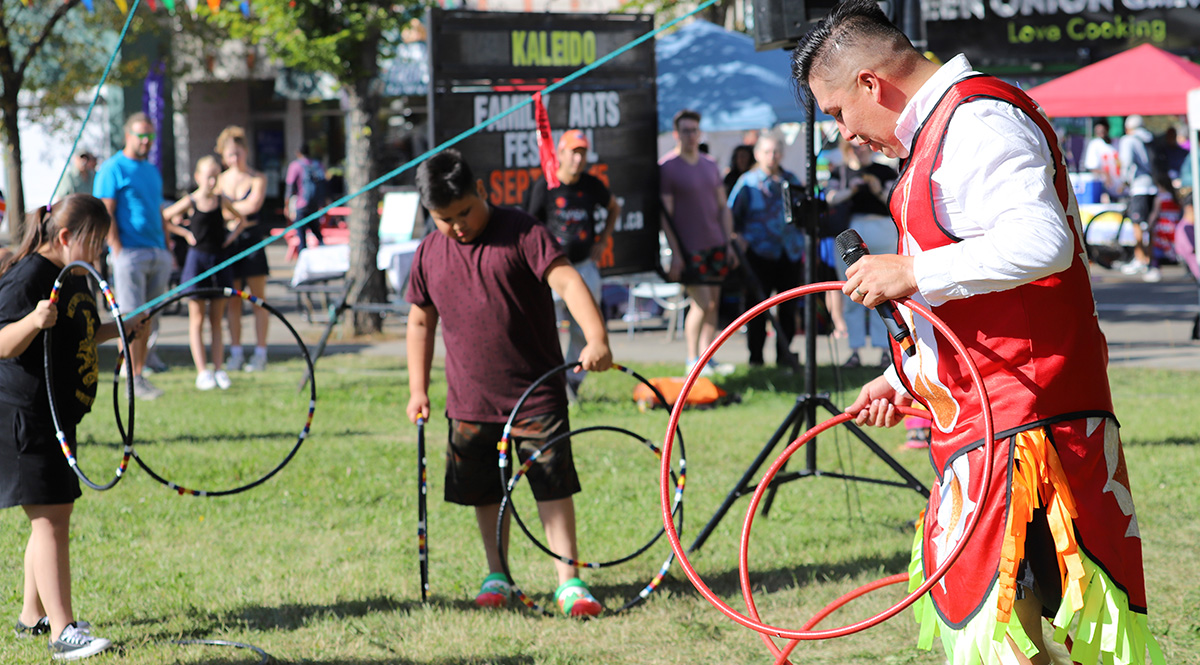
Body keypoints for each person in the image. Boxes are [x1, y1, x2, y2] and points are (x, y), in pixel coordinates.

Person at [792, 2, 1161, 664]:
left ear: (871, 83)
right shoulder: (943, 129)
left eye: (838, 113)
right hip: (987, 423)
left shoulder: (977, 121)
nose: (844, 133)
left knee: (1016, 637)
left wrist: (912, 270)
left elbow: (1042, 242)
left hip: (1030, 427)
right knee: (1009, 636)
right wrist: (904, 375)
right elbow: (974, 298)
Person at [404, 150, 613, 618]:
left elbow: (567, 282)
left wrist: (596, 337)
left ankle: (569, 581)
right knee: (485, 491)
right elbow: (420, 321)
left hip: (535, 393)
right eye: (444, 219)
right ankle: (496, 572)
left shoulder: (523, 232)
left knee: (551, 485)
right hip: (470, 399)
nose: (458, 226)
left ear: (481, 190)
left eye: (465, 212)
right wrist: (418, 388)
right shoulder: (430, 253)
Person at [0, 195, 144, 660]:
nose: (101, 252)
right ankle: (63, 632)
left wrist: (120, 329)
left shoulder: (77, 276)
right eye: (96, 242)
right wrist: (31, 321)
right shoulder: (29, 276)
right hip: (26, 417)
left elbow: (78, 329)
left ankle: (32, 616)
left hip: (57, 415)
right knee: (50, 519)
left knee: (51, 515)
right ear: (65, 237)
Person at [524, 130, 620, 401]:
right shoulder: (544, 185)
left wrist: (603, 240)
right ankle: (548, 384)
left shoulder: (591, 184)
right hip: (553, 271)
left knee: (586, 329)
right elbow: (528, 225)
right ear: (561, 154)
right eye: (574, 152)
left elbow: (614, 207)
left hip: (583, 266)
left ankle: (572, 383)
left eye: (583, 153)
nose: (578, 159)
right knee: (545, 330)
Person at [93, 112, 171, 400]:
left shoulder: (151, 170)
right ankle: (130, 376)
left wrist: (167, 246)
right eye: (141, 135)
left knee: (147, 317)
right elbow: (106, 211)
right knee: (130, 317)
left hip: (156, 250)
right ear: (128, 136)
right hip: (129, 252)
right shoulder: (113, 168)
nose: (146, 141)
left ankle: (140, 372)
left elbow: (159, 210)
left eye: (150, 136)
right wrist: (117, 248)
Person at [660, 109, 738, 377]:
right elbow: (665, 216)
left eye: (694, 130)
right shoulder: (667, 167)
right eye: (685, 131)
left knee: (713, 303)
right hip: (688, 249)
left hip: (715, 243)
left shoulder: (709, 164)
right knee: (702, 303)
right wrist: (675, 253)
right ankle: (692, 360)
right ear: (676, 134)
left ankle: (707, 358)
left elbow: (722, 207)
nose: (690, 135)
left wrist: (728, 242)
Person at [164, 156, 248, 391]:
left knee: (216, 320)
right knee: (197, 319)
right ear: (198, 177)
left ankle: (219, 369)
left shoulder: (222, 200)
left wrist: (230, 238)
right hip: (197, 261)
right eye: (208, 176)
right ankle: (202, 371)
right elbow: (166, 217)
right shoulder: (191, 200)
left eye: (215, 176)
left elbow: (241, 220)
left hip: (218, 260)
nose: (212, 181)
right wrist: (185, 234)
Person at [727, 134, 804, 368]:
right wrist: (738, 239)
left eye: (776, 151)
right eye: (767, 152)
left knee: (788, 307)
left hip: (788, 252)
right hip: (758, 253)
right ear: (758, 154)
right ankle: (756, 358)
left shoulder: (791, 180)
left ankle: (785, 356)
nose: (772, 157)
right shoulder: (747, 182)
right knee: (756, 307)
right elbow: (731, 214)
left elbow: (803, 212)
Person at [826, 137, 898, 369]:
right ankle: (854, 349)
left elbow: (894, 198)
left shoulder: (883, 171)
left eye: (864, 147)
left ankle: (885, 349)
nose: (860, 151)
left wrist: (877, 190)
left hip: (882, 230)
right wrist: (850, 190)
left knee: (884, 292)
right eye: (855, 148)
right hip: (851, 232)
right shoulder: (841, 172)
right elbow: (830, 197)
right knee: (852, 291)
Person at [215, 126, 270, 373]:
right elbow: (218, 209)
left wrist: (230, 210)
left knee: (258, 299)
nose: (235, 158)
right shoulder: (220, 181)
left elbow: (253, 204)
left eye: (238, 152)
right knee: (233, 301)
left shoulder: (257, 178)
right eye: (230, 154)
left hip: (252, 241)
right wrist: (235, 211)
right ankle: (236, 352)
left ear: (246, 151)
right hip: (229, 243)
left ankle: (260, 353)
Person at [1117, 115, 1159, 278]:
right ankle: (1150, 259)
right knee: (1150, 225)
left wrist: (1124, 181)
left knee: (1137, 224)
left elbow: (1126, 162)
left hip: (1138, 186)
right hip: (1153, 185)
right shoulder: (1151, 138)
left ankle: (1140, 259)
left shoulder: (1128, 139)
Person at [284, 144, 327, 251]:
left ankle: (303, 257)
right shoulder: (318, 164)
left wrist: (287, 205)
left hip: (301, 205)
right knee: (318, 234)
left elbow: (290, 186)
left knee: (301, 237)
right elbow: (324, 184)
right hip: (315, 205)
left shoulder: (295, 165)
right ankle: (325, 255)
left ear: (298, 153)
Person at [1081, 119, 1121, 201]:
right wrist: (1105, 174)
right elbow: (1091, 166)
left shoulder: (1117, 142)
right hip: (1103, 187)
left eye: (1103, 131)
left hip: (1119, 186)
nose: (1101, 133)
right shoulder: (1095, 144)